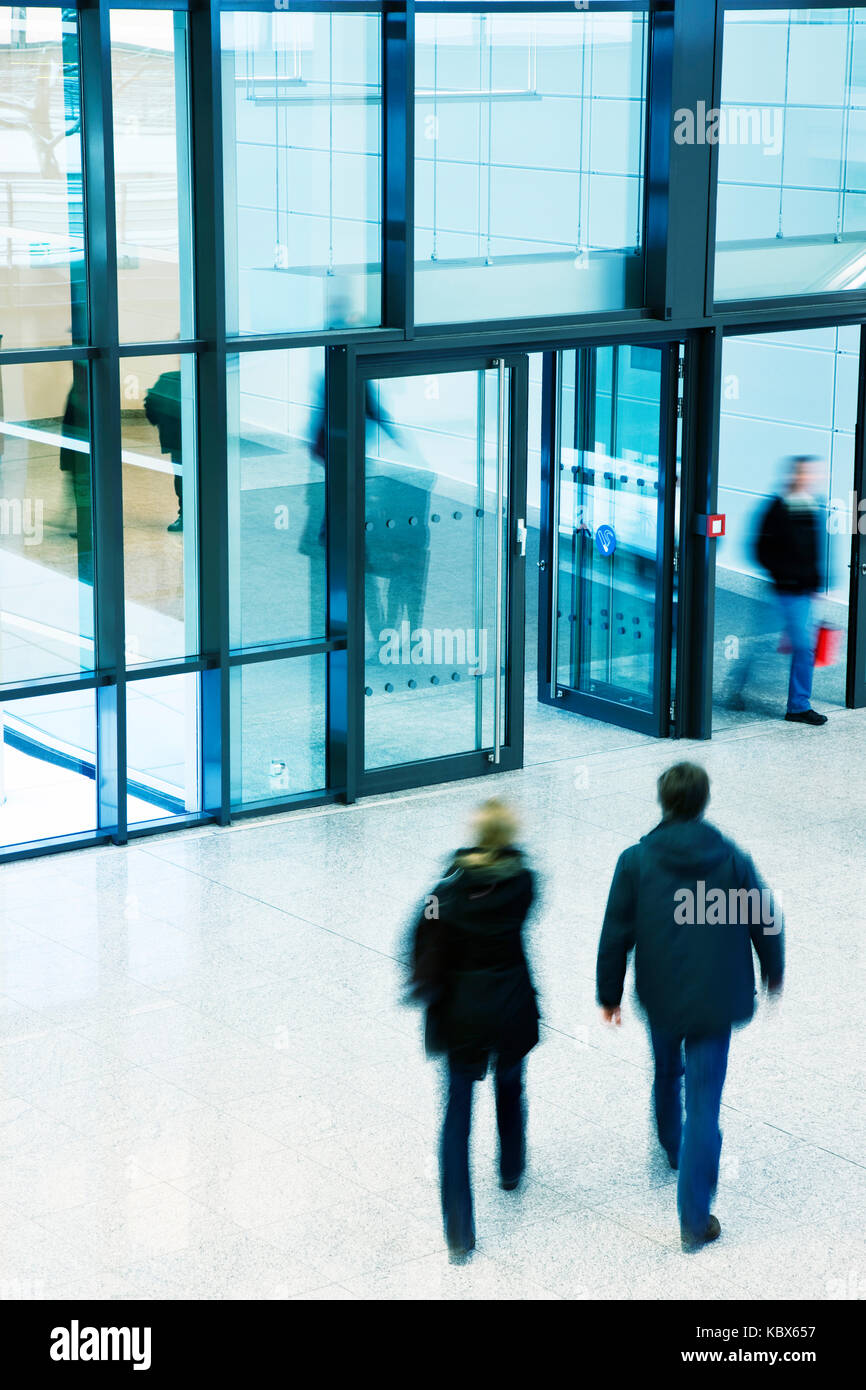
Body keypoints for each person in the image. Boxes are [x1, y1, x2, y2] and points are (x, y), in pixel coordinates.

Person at [596, 762, 784, 1253]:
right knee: (705, 1102)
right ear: (703, 802)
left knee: (665, 1070)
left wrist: (609, 994)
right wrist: (773, 969)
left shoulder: (635, 861)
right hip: (717, 997)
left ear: (663, 802)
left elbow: (616, 932)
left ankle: (671, 1145)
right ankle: (694, 1218)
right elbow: (764, 918)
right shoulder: (731, 858)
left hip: (661, 993)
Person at [405, 798, 540, 1262]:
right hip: (511, 1004)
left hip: (462, 1015)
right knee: (510, 1082)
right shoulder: (525, 883)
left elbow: (417, 937)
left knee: (457, 1116)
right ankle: (511, 1166)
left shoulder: (446, 894)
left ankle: (459, 1230)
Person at [756, 455, 827, 725]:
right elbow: (760, 550)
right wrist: (784, 574)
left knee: (802, 648)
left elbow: (815, 549)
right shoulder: (776, 508)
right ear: (795, 475)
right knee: (770, 648)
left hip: (803, 592)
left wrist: (816, 582)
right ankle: (794, 705)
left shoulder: (812, 506)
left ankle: (798, 706)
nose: (811, 478)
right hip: (782, 590)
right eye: (806, 473)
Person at [143, 370, 184, 533]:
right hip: (185, 439)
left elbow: (151, 403)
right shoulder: (171, 379)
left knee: (182, 477)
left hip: (177, 440)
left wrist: (163, 425)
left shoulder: (169, 379)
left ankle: (186, 515)